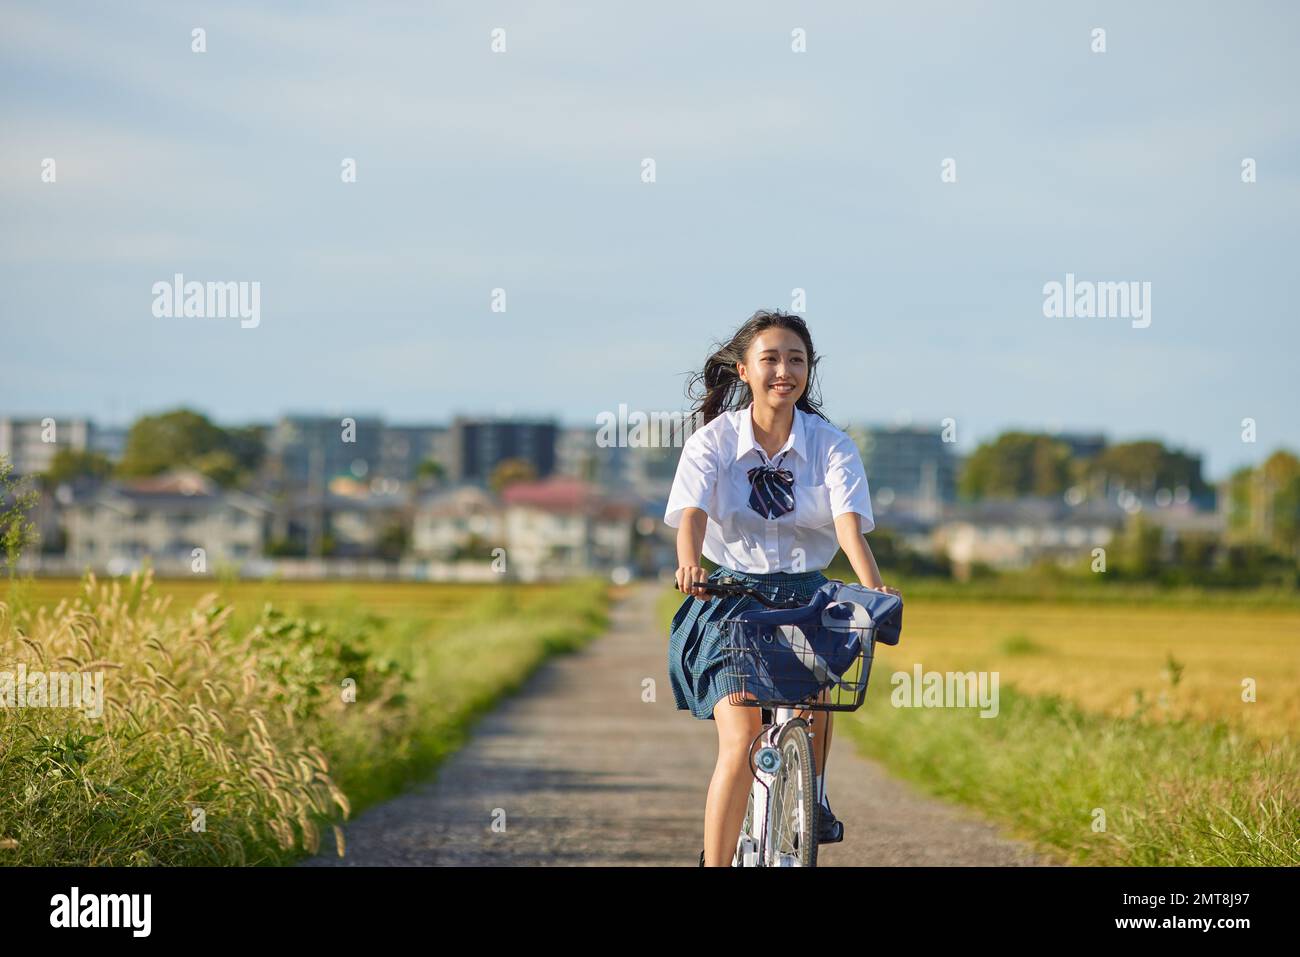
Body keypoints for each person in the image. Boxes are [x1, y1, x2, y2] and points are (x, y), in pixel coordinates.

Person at [664, 309, 902, 867]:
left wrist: (874, 591)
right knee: (742, 734)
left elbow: (848, 527)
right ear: (744, 370)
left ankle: (810, 795)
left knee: (815, 701)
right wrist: (688, 563)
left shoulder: (832, 445)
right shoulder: (712, 442)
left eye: (796, 360)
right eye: (770, 359)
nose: (783, 371)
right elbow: (692, 516)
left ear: (808, 371)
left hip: (805, 597)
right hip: (729, 601)